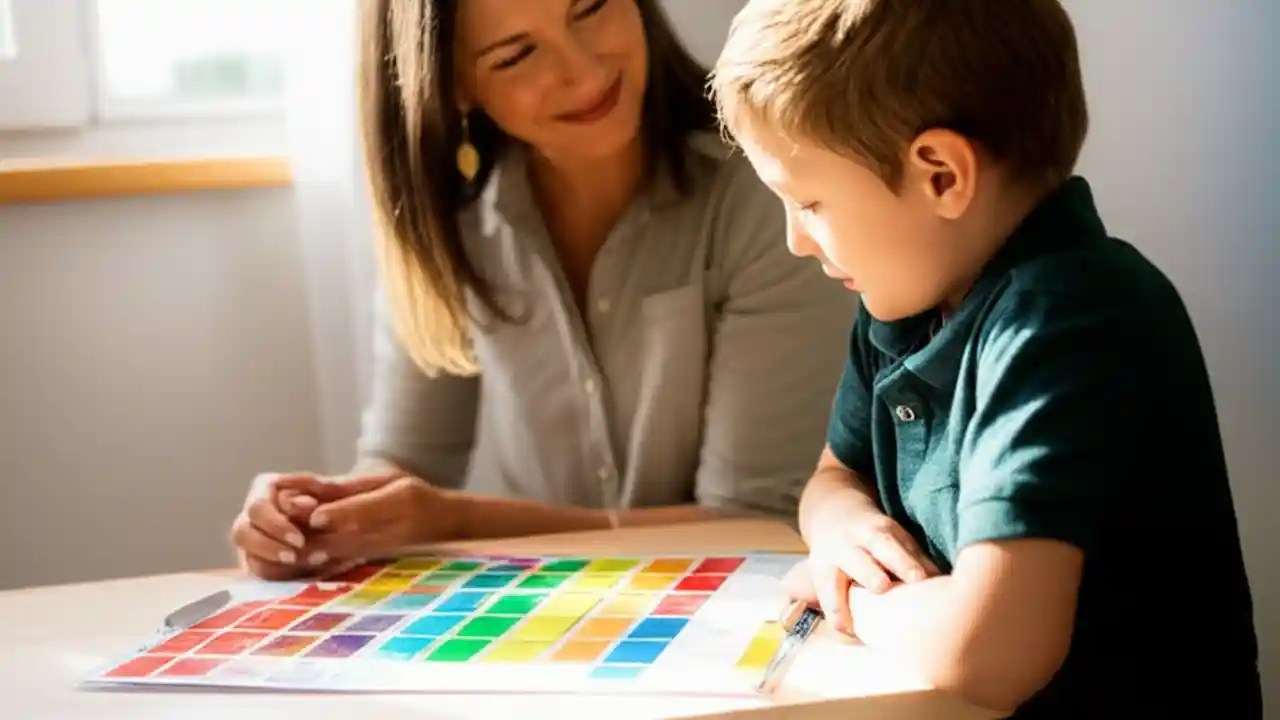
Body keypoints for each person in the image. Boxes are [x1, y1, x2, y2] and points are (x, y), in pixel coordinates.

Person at [710, 0, 1261, 717]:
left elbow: (988, 656)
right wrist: (842, 529)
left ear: (941, 175)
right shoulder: (904, 298)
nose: (797, 241)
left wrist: (848, 593)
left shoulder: (1070, 318)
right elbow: (833, 477)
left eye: (810, 203)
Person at [229, 0, 852, 580]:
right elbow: (407, 463)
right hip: (560, 614)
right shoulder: (452, 230)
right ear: (452, 86)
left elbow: (754, 522)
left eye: (590, 7)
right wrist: (319, 517)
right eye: (516, 55)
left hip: (749, 600)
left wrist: (455, 519)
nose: (582, 69)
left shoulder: (769, 200)